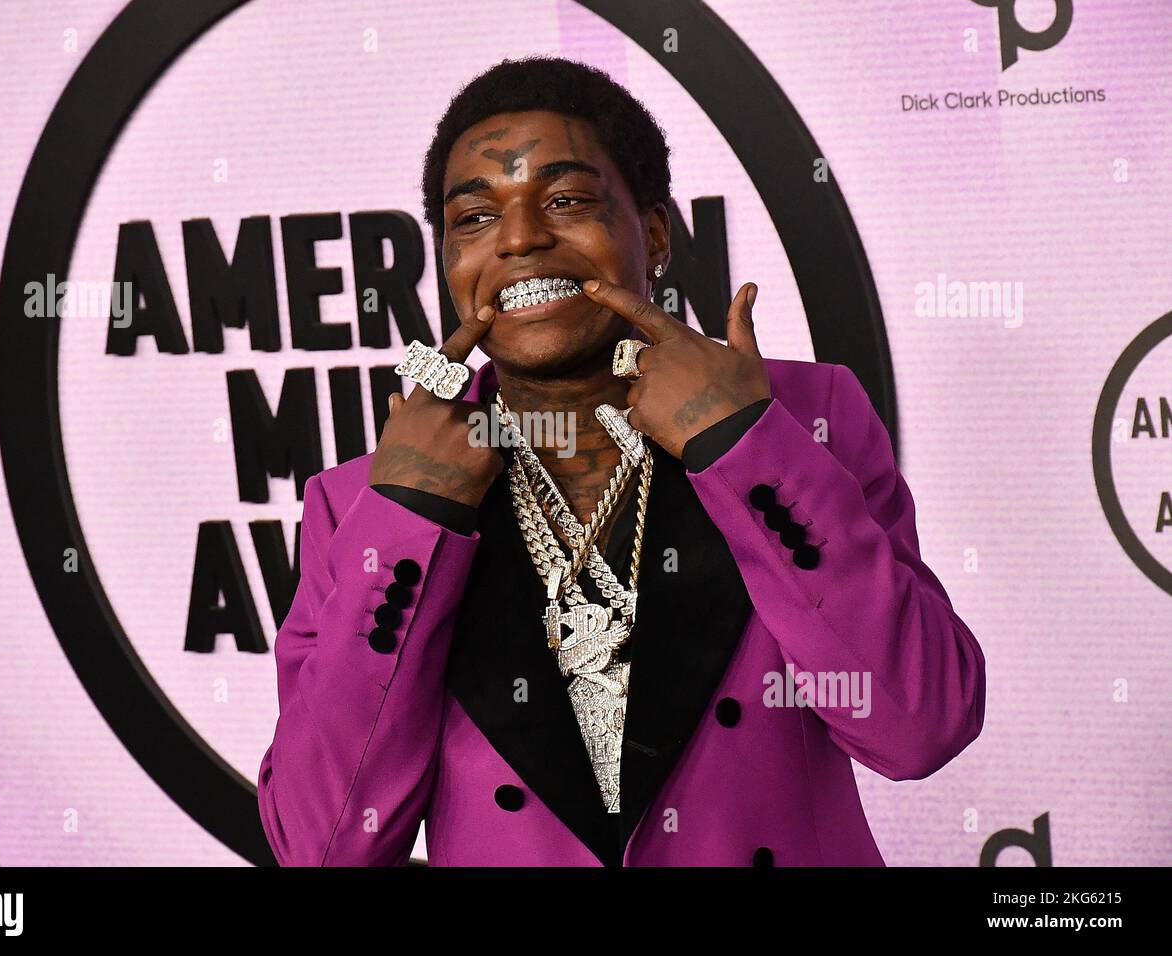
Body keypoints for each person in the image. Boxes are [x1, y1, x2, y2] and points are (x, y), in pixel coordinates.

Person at [256, 56, 986, 867]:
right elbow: (323, 847)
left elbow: (922, 724)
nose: (521, 238)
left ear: (658, 233)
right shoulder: (360, 503)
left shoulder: (801, 420)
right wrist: (411, 520)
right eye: (473, 219)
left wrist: (739, 446)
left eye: (566, 201)